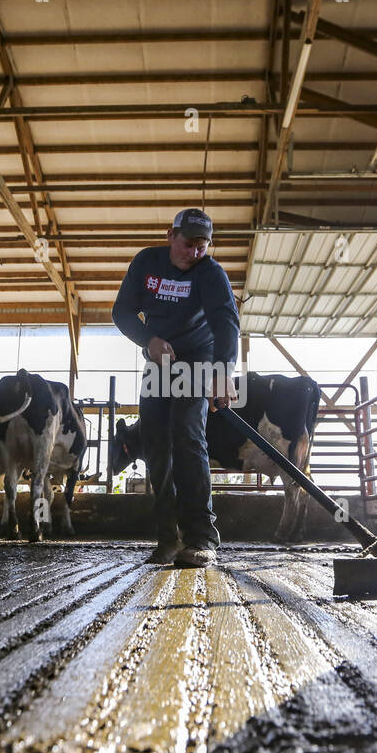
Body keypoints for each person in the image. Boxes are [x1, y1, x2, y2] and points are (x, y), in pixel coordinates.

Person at [112, 208, 239, 567]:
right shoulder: (146, 263)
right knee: (155, 443)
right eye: (188, 244)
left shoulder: (211, 274)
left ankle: (201, 538)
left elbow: (227, 322)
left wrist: (223, 370)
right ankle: (168, 538)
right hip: (158, 361)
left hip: (198, 360)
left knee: (187, 434)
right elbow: (121, 312)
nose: (195, 252)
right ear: (171, 235)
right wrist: (148, 339)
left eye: (203, 246)